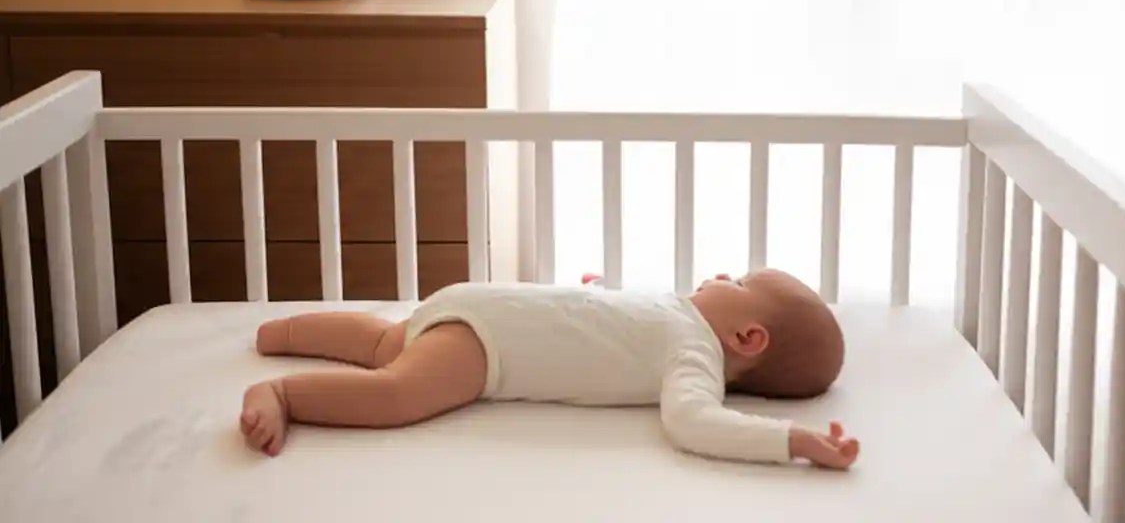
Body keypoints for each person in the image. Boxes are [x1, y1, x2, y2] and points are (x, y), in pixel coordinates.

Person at [240, 268, 856, 469]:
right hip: (489, 344)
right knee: (398, 391)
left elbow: (696, 421)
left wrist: (788, 441)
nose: (721, 275)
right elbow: (609, 314)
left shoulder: (693, 347)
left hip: (487, 308)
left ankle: (288, 334)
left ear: (748, 338)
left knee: (385, 345)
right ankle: (285, 394)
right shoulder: (680, 323)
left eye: (739, 280)